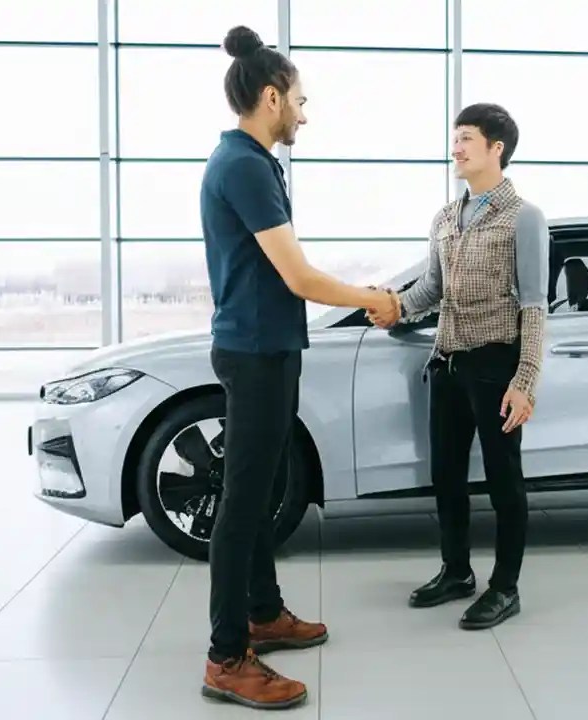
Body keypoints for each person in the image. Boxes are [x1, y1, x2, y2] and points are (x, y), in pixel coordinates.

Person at [199, 25, 398, 710]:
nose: (305, 115)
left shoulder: (254, 162)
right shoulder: (245, 166)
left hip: (268, 348)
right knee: (242, 505)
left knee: (262, 492)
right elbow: (298, 276)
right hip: (255, 352)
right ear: (273, 97)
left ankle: (263, 611)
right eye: (302, 102)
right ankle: (227, 657)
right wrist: (374, 298)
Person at [369, 103, 549, 630]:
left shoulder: (524, 216)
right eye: (455, 138)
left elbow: (534, 304)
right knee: (446, 475)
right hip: (447, 361)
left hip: (497, 364)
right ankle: (456, 571)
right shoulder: (446, 217)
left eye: (467, 138)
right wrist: (395, 305)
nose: (457, 147)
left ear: (497, 149)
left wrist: (525, 381)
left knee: (503, 480)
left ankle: (505, 587)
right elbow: (433, 288)